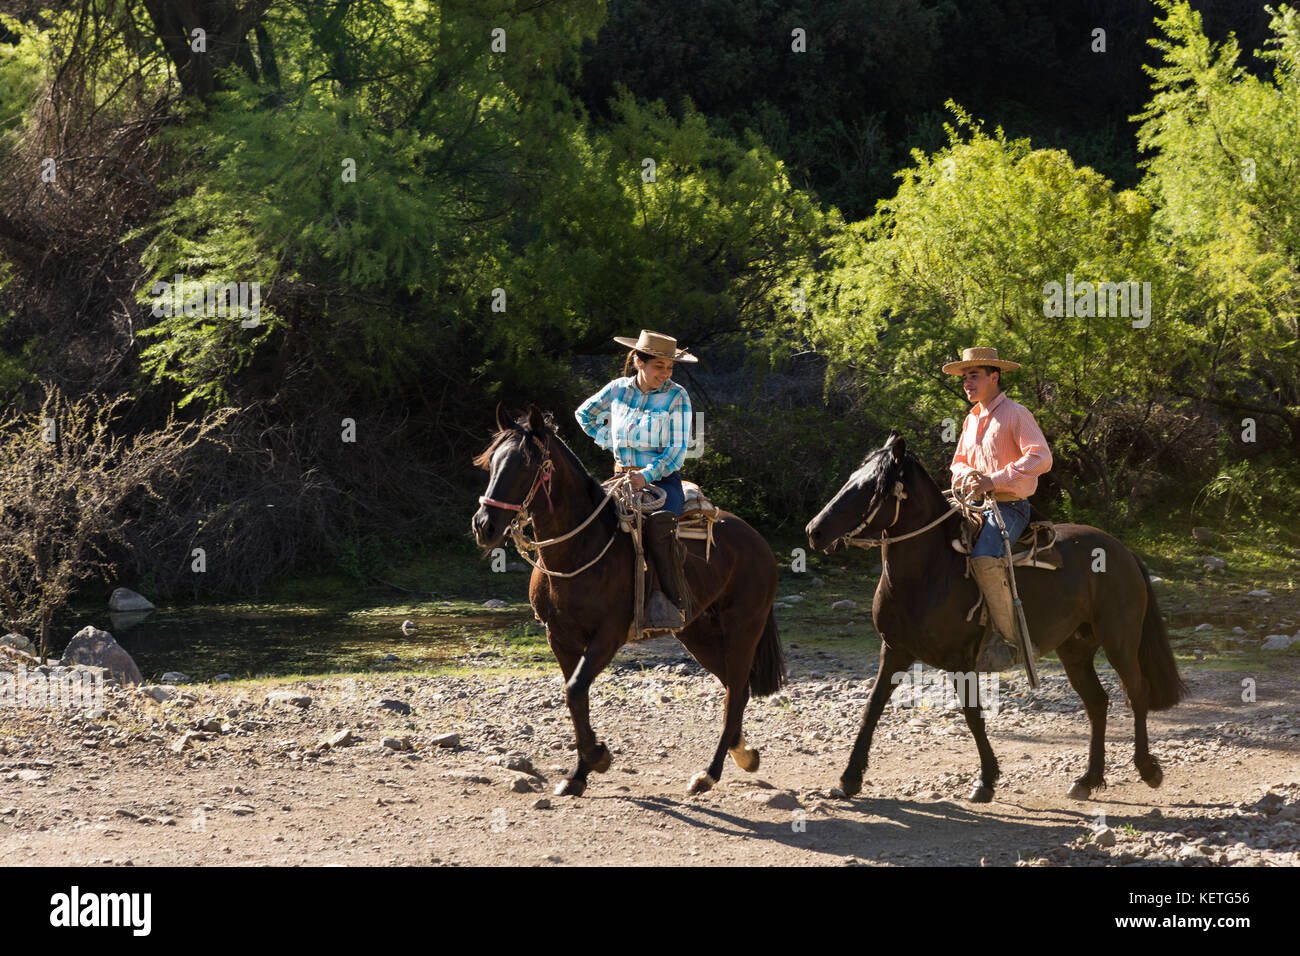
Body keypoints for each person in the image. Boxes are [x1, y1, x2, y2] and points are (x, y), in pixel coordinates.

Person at [575, 330, 695, 629]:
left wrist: (646, 475)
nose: (665, 375)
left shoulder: (677, 396)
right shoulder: (617, 390)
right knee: (585, 522)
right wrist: (607, 441)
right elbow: (584, 414)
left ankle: (671, 599)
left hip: (662, 481)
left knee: (658, 527)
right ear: (639, 363)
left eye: (669, 368)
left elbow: (677, 452)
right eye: (659, 367)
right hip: (619, 478)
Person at [945, 346, 1053, 671]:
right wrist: (968, 476)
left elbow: (1041, 457)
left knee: (983, 559)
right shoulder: (971, 420)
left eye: (974, 376)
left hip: (1009, 507)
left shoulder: (1016, 414)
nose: (967, 383)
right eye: (964, 377)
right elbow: (958, 463)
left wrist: (993, 479)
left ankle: (1011, 641)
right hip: (974, 504)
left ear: (994, 376)